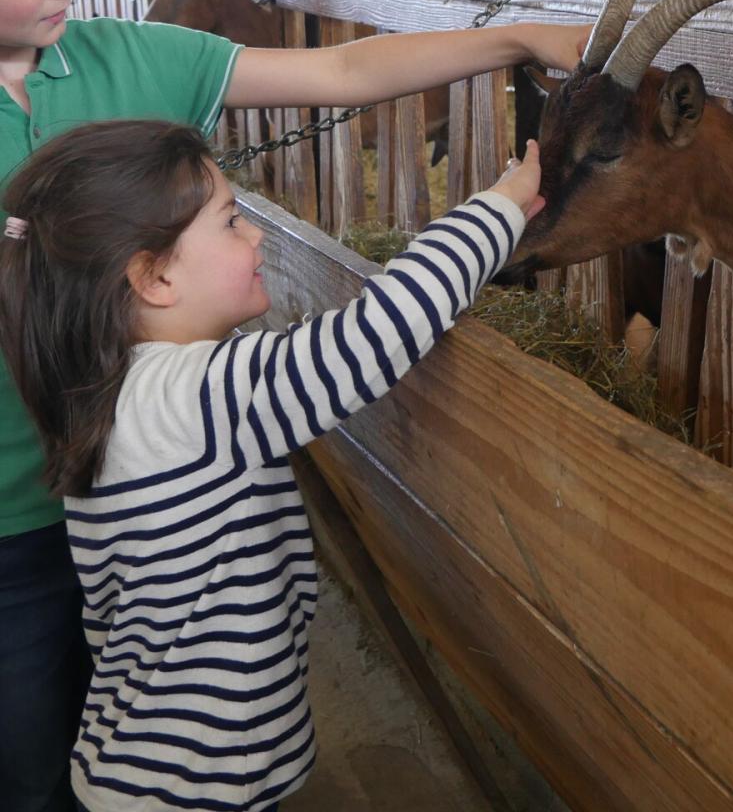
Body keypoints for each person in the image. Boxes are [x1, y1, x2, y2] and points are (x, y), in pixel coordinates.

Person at [0, 0, 585, 811]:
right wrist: (499, 209)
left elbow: (343, 71)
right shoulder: (213, 396)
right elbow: (374, 337)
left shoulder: (128, 59)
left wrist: (514, 39)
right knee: (28, 757)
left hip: (115, 493)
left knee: (114, 708)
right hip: (13, 524)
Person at [0, 116, 543, 811]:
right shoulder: (193, 399)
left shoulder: (107, 391)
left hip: (143, 767)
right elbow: (377, 331)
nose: (256, 235)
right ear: (155, 277)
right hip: (192, 790)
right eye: (231, 222)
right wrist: (501, 206)